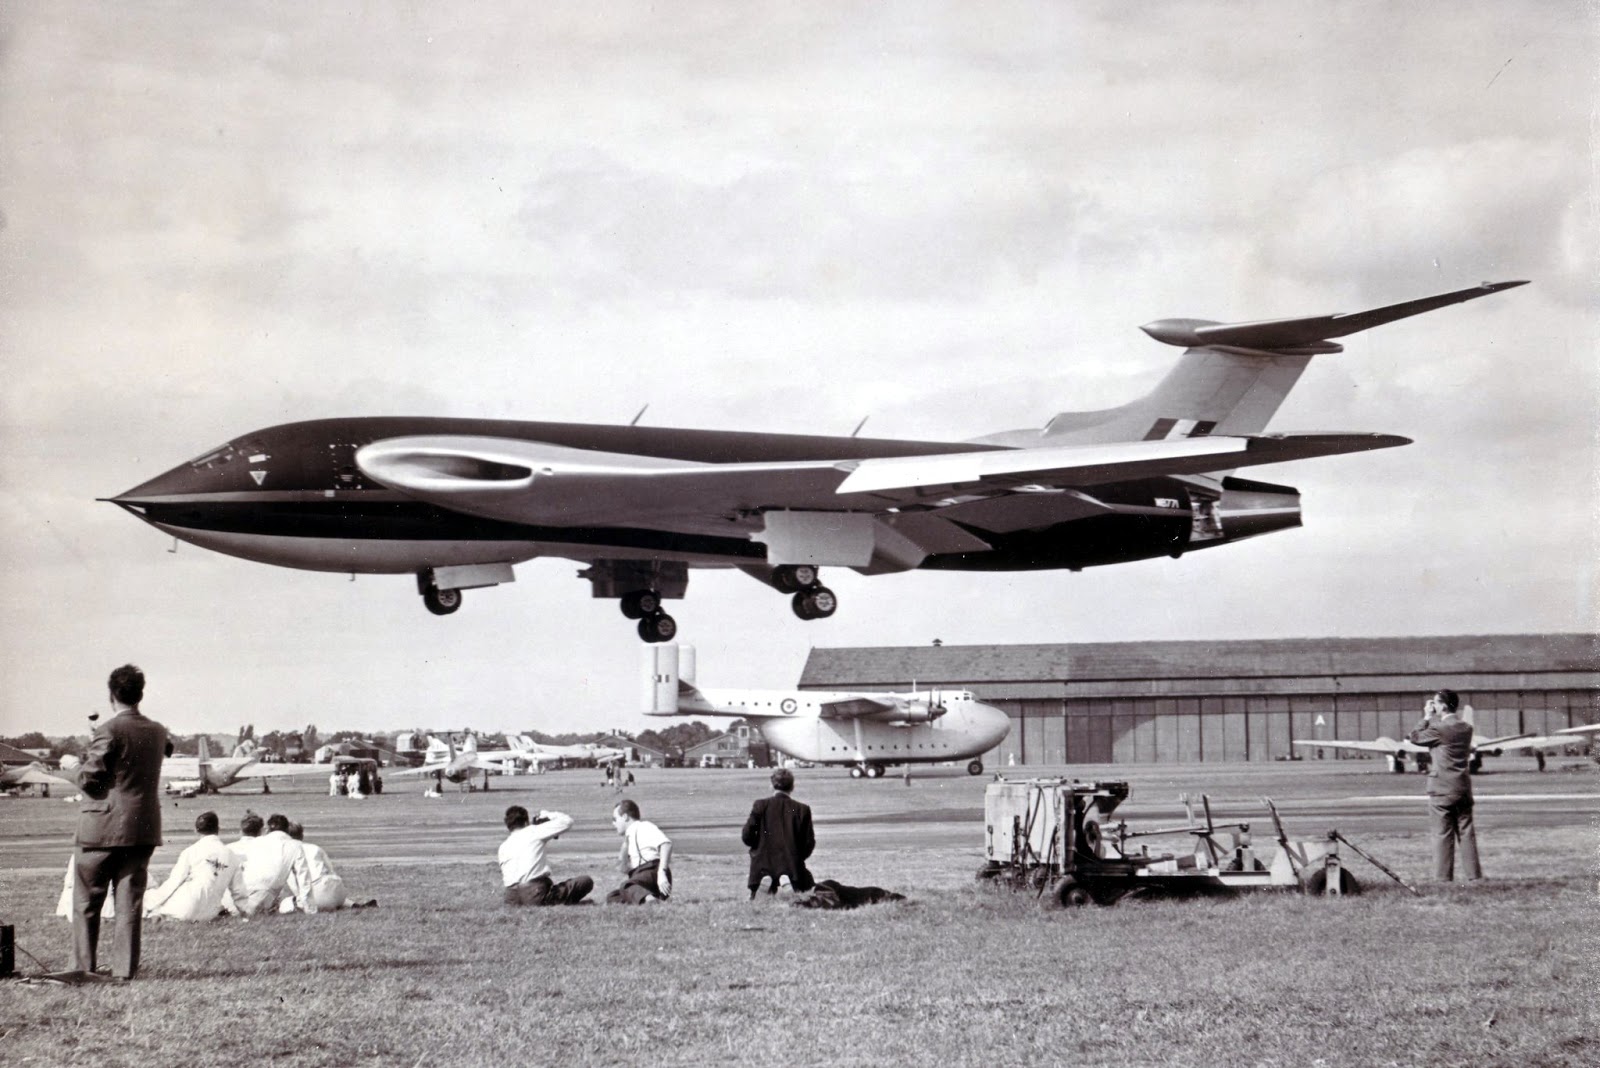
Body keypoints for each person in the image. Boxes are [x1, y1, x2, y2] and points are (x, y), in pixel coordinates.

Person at [70, 663, 173, 980]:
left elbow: (88, 780)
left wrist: (76, 764)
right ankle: (123, 971)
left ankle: (83, 968)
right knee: (129, 902)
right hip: (142, 826)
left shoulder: (109, 730)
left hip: (101, 827)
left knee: (87, 901)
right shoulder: (158, 731)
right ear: (140, 694)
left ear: (112, 694)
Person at [1408, 688, 1482, 881]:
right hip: (1462, 786)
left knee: (1442, 833)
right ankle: (1474, 876)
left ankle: (1443, 878)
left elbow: (1415, 737)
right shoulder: (1466, 728)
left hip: (1441, 787)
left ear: (1442, 705)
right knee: (1466, 833)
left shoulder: (1439, 729)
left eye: (1435, 702)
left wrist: (1426, 716)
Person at [143, 811, 236, 921]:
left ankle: (155, 914)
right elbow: (237, 890)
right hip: (210, 913)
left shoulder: (191, 851)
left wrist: (151, 902)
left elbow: (174, 882)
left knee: (149, 897)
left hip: (185, 910)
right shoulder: (231, 854)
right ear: (218, 829)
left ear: (196, 830)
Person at [741, 768, 815, 899]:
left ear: (772, 785)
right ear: (792, 786)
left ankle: (761, 887)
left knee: (761, 881)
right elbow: (808, 842)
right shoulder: (802, 809)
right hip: (791, 864)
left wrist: (756, 847)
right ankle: (790, 883)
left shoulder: (760, 805)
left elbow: (747, 836)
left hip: (762, 862)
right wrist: (798, 857)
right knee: (807, 888)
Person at [498, 805, 592, 906]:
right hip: (535, 893)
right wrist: (546, 814)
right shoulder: (534, 831)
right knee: (585, 881)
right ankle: (560, 901)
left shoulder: (503, 847)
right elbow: (567, 821)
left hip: (511, 898)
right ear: (526, 822)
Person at [229, 813, 316, 916]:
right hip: (261, 899)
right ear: (287, 829)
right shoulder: (295, 845)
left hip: (236, 897)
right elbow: (303, 879)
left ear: (268, 829)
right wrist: (310, 909)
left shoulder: (257, 841)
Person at [605, 799, 673, 904]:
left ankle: (649, 900)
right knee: (612, 897)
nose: (613, 823)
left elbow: (666, 844)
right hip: (642, 877)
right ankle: (649, 897)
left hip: (651, 870)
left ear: (625, 817)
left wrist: (662, 873)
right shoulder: (628, 837)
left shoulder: (643, 826)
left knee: (626, 886)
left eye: (615, 819)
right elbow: (623, 868)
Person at [281, 822, 348, 911]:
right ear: (301, 835)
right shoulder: (315, 848)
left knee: (285, 903)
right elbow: (331, 871)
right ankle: (350, 904)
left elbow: (294, 886)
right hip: (337, 889)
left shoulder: (287, 854)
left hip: (317, 894)